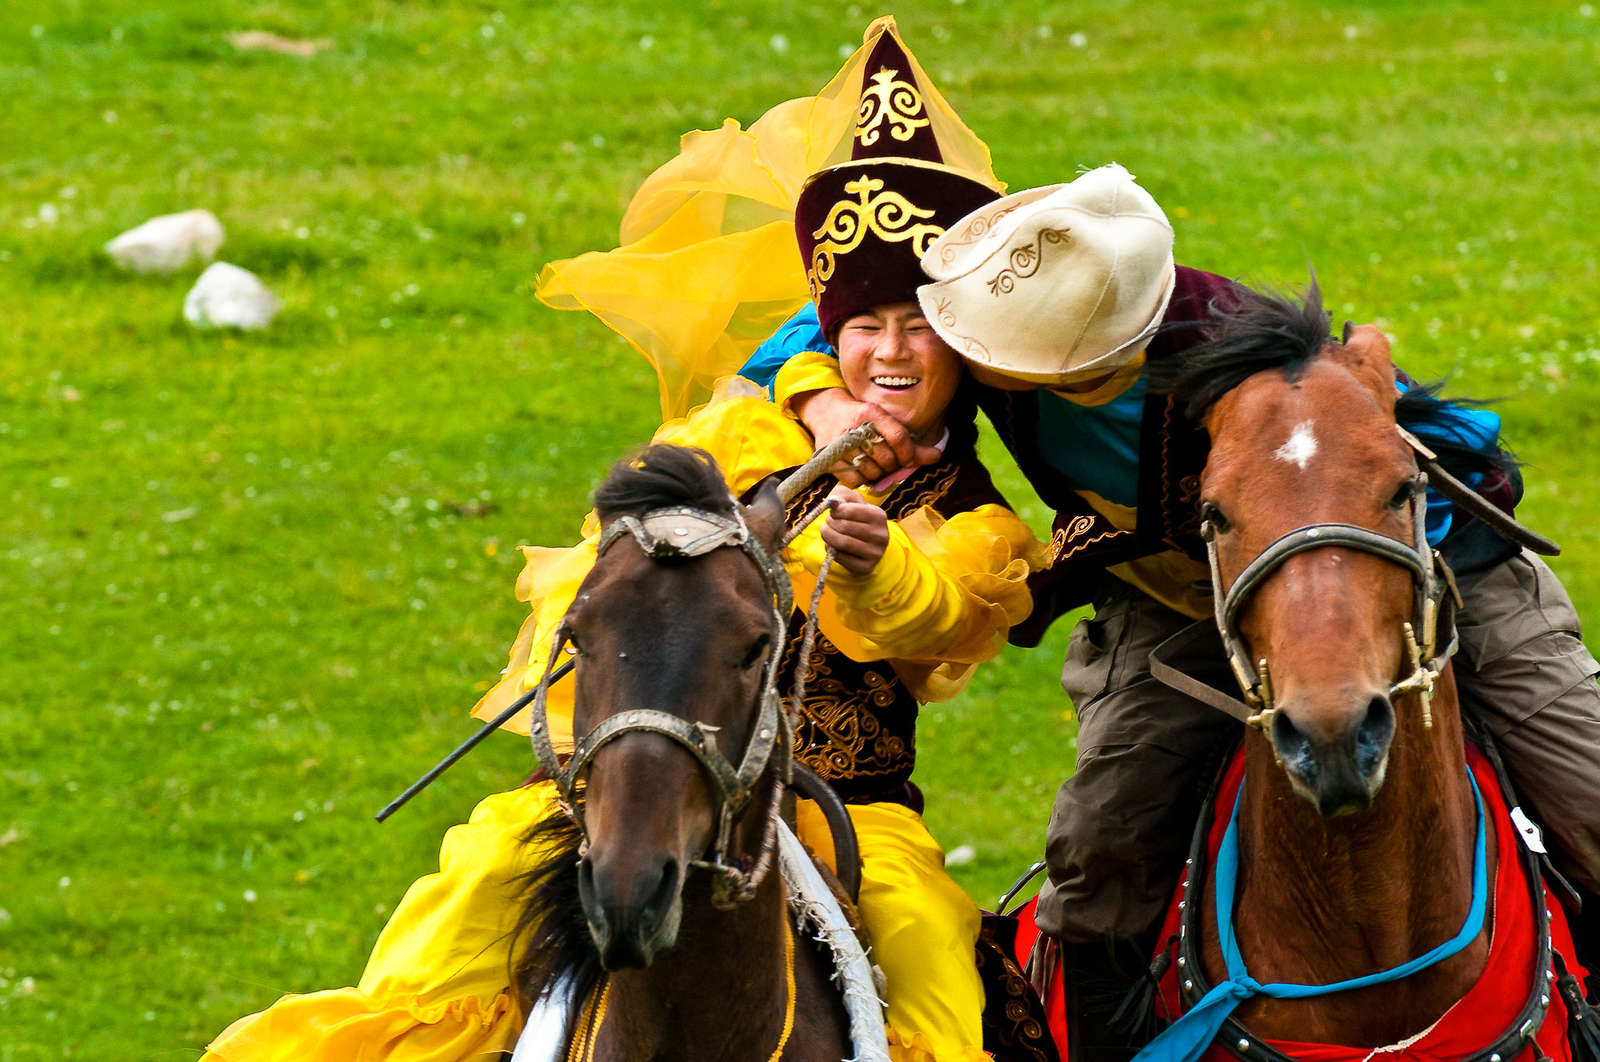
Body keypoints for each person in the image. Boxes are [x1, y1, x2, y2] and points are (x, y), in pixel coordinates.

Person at [201, 27, 1047, 1062]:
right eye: (864, 328)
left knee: (930, 955)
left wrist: (880, 569)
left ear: (960, 345)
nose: (892, 352)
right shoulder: (739, 435)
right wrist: (801, 411)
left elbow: (943, 616)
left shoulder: (978, 519)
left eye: (918, 326)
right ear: (828, 338)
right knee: (461, 910)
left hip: (845, 806)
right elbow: (617, 565)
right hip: (637, 770)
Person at [745, 166, 1600, 1057]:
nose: (934, 355)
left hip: (1425, 560)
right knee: (1098, 852)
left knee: (1590, 787)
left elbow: (1446, 463)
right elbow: (817, 326)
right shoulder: (987, 302)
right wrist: (825, 401)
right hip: (1166, 590)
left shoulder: (1250, 361)